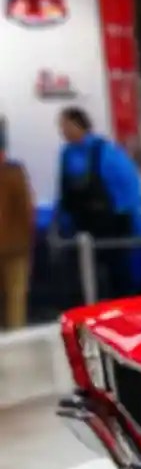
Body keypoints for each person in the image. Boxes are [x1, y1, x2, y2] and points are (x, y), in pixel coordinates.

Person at [56, 107, 141, 300]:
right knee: (83, 275)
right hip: (81, 223)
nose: (62, 131)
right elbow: (63, 190)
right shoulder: (66, 154)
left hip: (110, 223)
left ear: (78, 125)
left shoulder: (104, 151)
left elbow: (128, 183)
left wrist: (124, 216)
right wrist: (63, 219)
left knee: (117, 274)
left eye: (64, 125)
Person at [0, 125, 36, 329]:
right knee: (15, 299)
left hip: (14, 245)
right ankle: (14, 341)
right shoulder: (14, 173)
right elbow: (26, 210)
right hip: (16, 247)